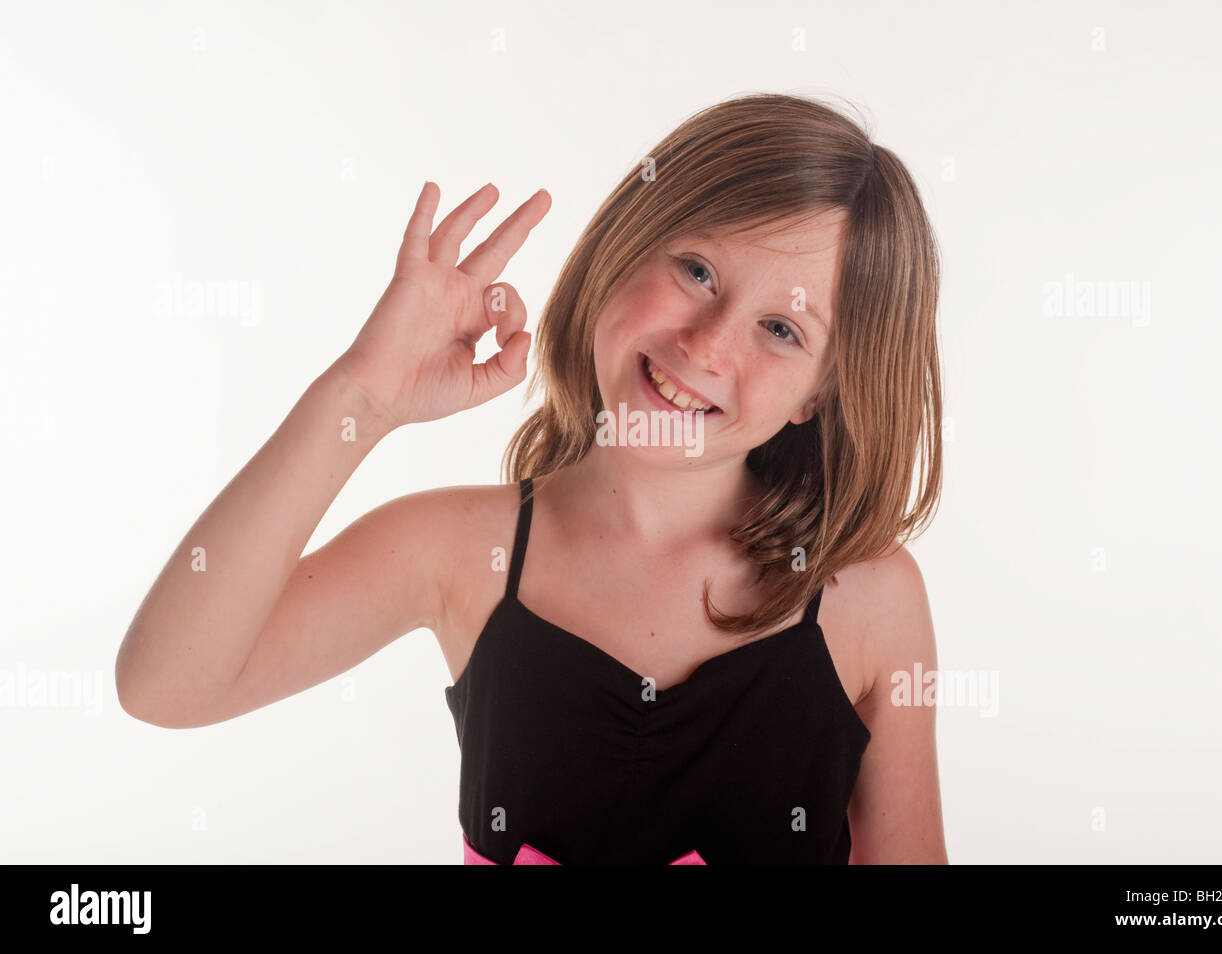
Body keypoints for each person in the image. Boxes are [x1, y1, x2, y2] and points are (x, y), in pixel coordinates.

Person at [116, 92, 948, 865]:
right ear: (625, 248)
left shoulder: (867, 599)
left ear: (822, 396)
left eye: (780, 328)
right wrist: (361, 398)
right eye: (696, 272)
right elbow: (167, 685)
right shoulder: (454, 550)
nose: (708, 345)